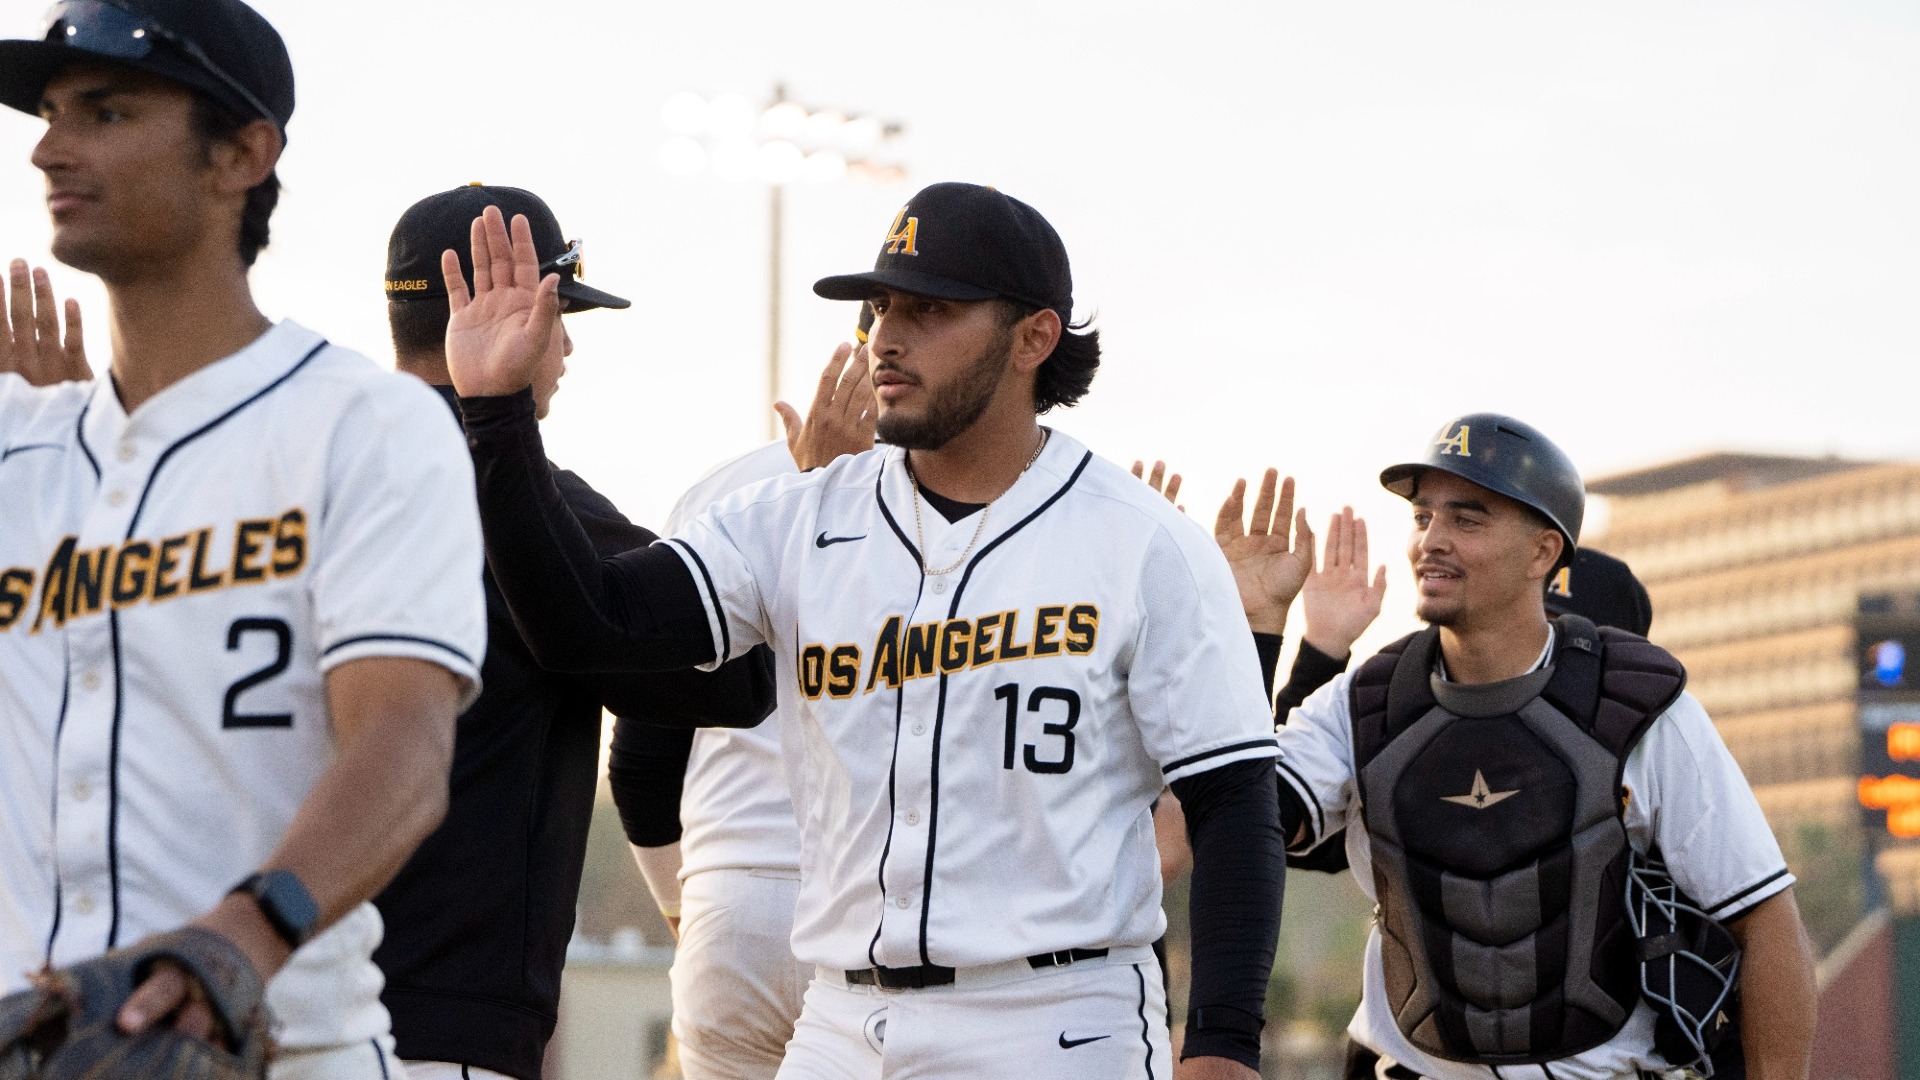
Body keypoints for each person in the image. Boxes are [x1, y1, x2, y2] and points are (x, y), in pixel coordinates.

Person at [445, 183, 1286, 1079]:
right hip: (840, 1020)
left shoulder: (1143, 542)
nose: (886, 334)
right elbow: (591, 632)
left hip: (1052, 1018)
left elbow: (1234, 800)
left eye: (929, 310)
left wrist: (1225, 1043)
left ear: (1034, 338)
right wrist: (497, 417)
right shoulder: (793, 520)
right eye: (880, 306)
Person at [0, 1, 488, 1075]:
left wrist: (249, 930)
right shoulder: (17, 453)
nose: (50, 146)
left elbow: (404, 747)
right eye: (48, 112)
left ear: (242, 153)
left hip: (286, 1047)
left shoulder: (363, 424)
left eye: (108, 109)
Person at [371, 183, 776, 1080]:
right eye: (559, 310)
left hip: (286, 998)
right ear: (497, 308)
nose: (566, 343)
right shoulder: (533, 501)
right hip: (447, 1024)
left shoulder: (316, 472)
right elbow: (728, 678)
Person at [1273, 414, 1817, 1080]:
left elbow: (1762, 915)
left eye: (1467, 520)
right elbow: (1244, 815)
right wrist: (1263, 631)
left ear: (1542, 553)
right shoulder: (1365, 702)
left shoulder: (1640, 707)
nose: (1432, 541)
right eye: (1423, 518)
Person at [613, 338, 874, 1080]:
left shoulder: (726, 491)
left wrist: (690, 914)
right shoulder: (971, 491)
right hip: (875, 909)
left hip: (729, 902)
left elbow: (640, 763)